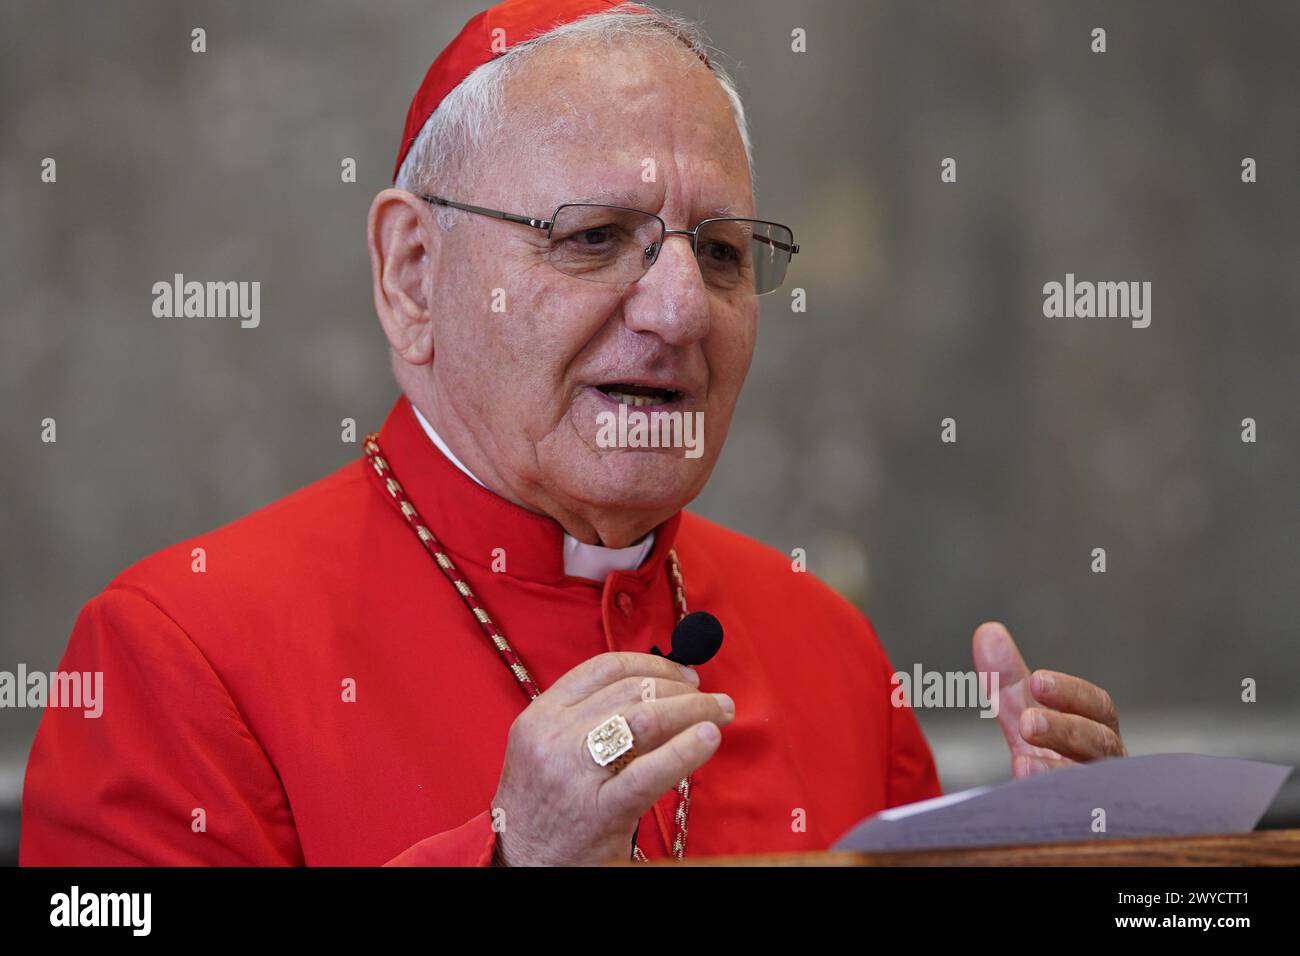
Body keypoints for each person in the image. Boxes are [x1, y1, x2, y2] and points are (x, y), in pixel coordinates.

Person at [20, 0, 1125, 866]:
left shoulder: (828, 649)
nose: (681, 309)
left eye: (726, 253)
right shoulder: (174, 656)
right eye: (595, 237)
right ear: (414, 274)